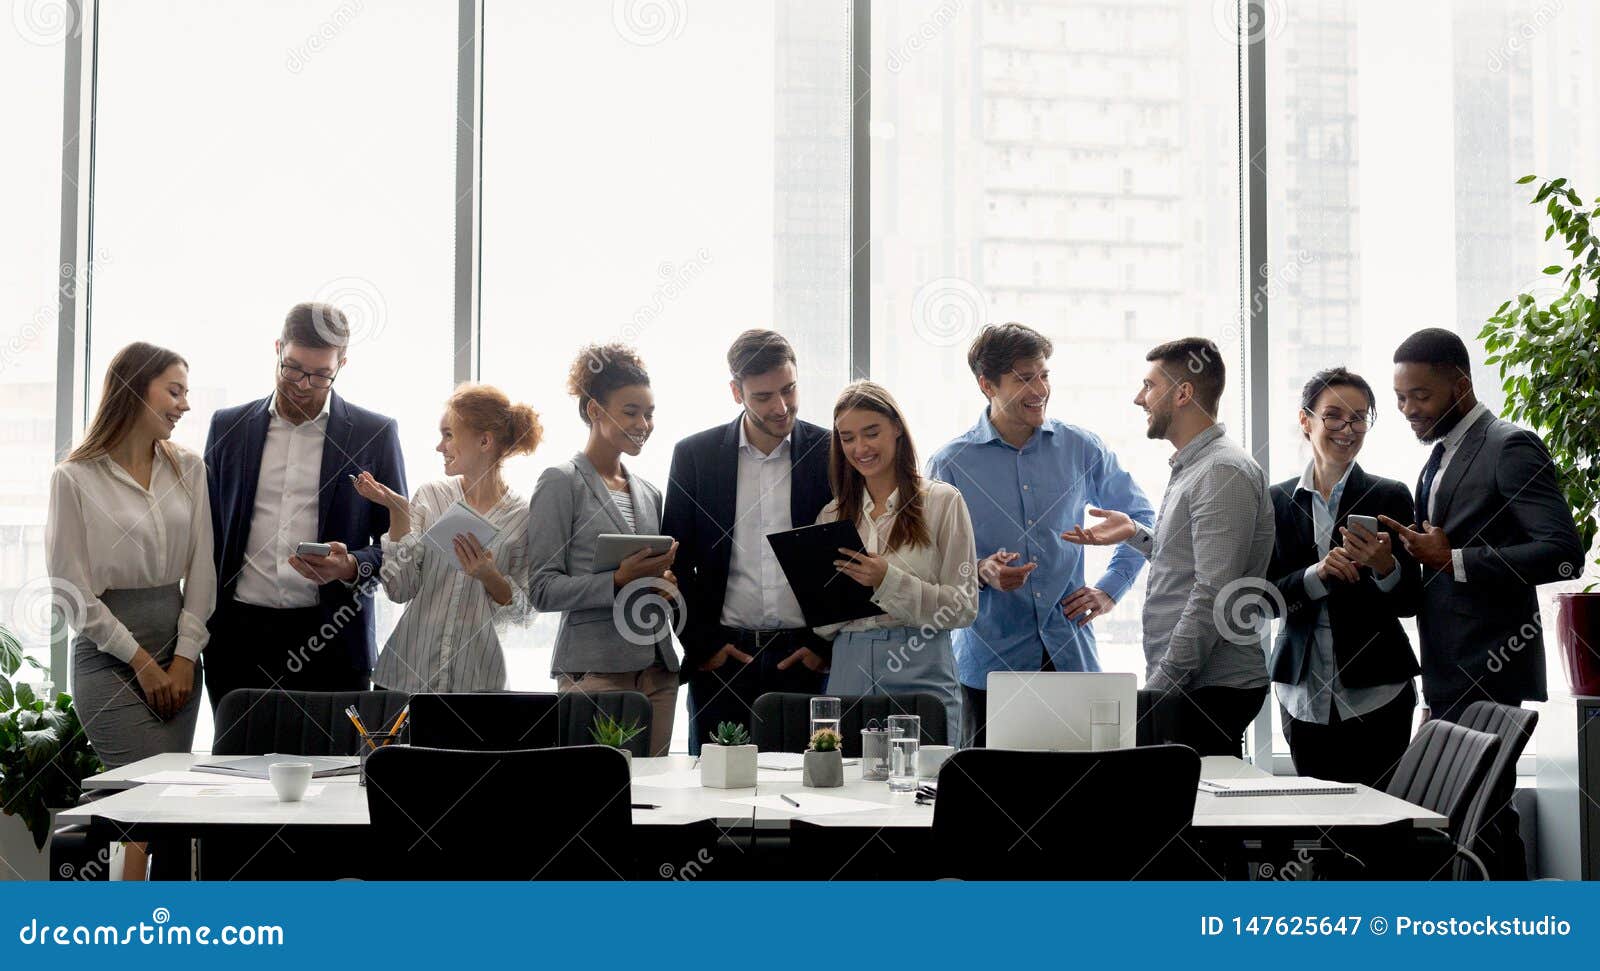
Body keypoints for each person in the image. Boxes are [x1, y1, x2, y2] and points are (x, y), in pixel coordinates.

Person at [928, 323, 1156, 747]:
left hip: (1071, 657)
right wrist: (980, 571)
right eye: (1024, 378)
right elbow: (930, 562)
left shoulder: (1082, 448)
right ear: (986, 384)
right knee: (993, 796)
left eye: (1044, 375)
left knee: (1080, 793)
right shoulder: (951, 463)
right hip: (988, 664)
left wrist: (1110, 589)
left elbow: (1141, 518)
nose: (1040, 389)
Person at [47, 342, 215, 880]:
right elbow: (71, 591)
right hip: (109, 657)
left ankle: (161, 932)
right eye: (174, 390)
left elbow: (203, 569)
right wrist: (141, 661)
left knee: (165, 808)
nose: (184, 405)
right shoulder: (74, 478)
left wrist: (185, 656)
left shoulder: (190, 468)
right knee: (147, 799)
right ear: (133, 388)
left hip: (178, 651)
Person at [1062, 337, 1273, 756]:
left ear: (1183, 393)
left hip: (1210, 686)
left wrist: (1160, 685)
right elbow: (1190, 561)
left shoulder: (1221, 471)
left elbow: (1213, 590)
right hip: (1195, 684)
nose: (1139, 398)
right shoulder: (1198, 466)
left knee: (1193, 815)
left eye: (1149, 385)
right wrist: (1135, 535)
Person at [203, 303, 407, 711]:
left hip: (332, 640)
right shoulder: (228, 427)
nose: (301, 384)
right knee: (236, 772)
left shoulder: (375, 433)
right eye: (292, 368)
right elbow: (204, 534)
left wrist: (352, 565)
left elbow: (401, 543)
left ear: (342, 364)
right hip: (237, 641)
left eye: (319, 375)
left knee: (332, 772)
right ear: (278, 349)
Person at [1381, 327, 1582, 722]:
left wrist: (1453, 559)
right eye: (1401, 398)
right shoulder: (1438, 457)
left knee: (1480, 787)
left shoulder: (1510, 446)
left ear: (1460, 387)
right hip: (1444, 671)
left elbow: (1564, 554)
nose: (1408, 409)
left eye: (1421, 396)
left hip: (1490, 669)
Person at [662, 330, 834, 752]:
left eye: (789, 389)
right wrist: (703, 646)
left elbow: (846, 554)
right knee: (716, 797)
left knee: (811, 799)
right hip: (723, 660)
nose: (781, 407)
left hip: (804, 660)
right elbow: (674, 564)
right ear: (736, 392)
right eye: (762, 397)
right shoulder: (695, 455)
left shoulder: (830, 450)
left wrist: (819, 646)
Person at [1267, 367, 1421, 788]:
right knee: (1322, 827)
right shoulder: (1276, 501)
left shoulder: (1391, 495)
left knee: (1378, 824)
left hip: (1378, 691)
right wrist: (1314, 576)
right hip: (1302, 694)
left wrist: (1384, 567)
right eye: (1334, 415)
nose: (1347, 429)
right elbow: (1261, 598)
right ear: (1306, 420)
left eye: (1359, 418)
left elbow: (1410, 601)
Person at [527, 343, 681, 756]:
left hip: (657, 670)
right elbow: (541, 589)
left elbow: (648, 579)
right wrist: (616, 580)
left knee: (658, 800)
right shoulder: (560, 482)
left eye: (649, 413)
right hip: (595, 670)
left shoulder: (649, 493)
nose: (643, 424)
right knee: (597, 797)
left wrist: (664, 584)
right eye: (631, 412)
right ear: (595, 411)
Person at [354, 384, 542, 693]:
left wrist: (490, 577)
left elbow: (524, 615)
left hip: (478, 687)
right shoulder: (431, 497)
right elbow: (400, 589)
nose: (440, 447)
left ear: (484, 441)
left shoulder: (523, 518)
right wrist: (398, 510)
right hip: (405, 678)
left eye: (449, 435)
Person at [814, 381, 978, 735]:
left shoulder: (942, 502)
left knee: (924, 784)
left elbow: (964, 606)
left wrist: (886, 580)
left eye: (871, 433)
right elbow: (822, 625)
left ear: (897, 430)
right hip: (849, 665)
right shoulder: (831, 516)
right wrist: (823, 605)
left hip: (921, 660)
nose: (860, 448)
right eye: (848, 438)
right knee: (846, 783)